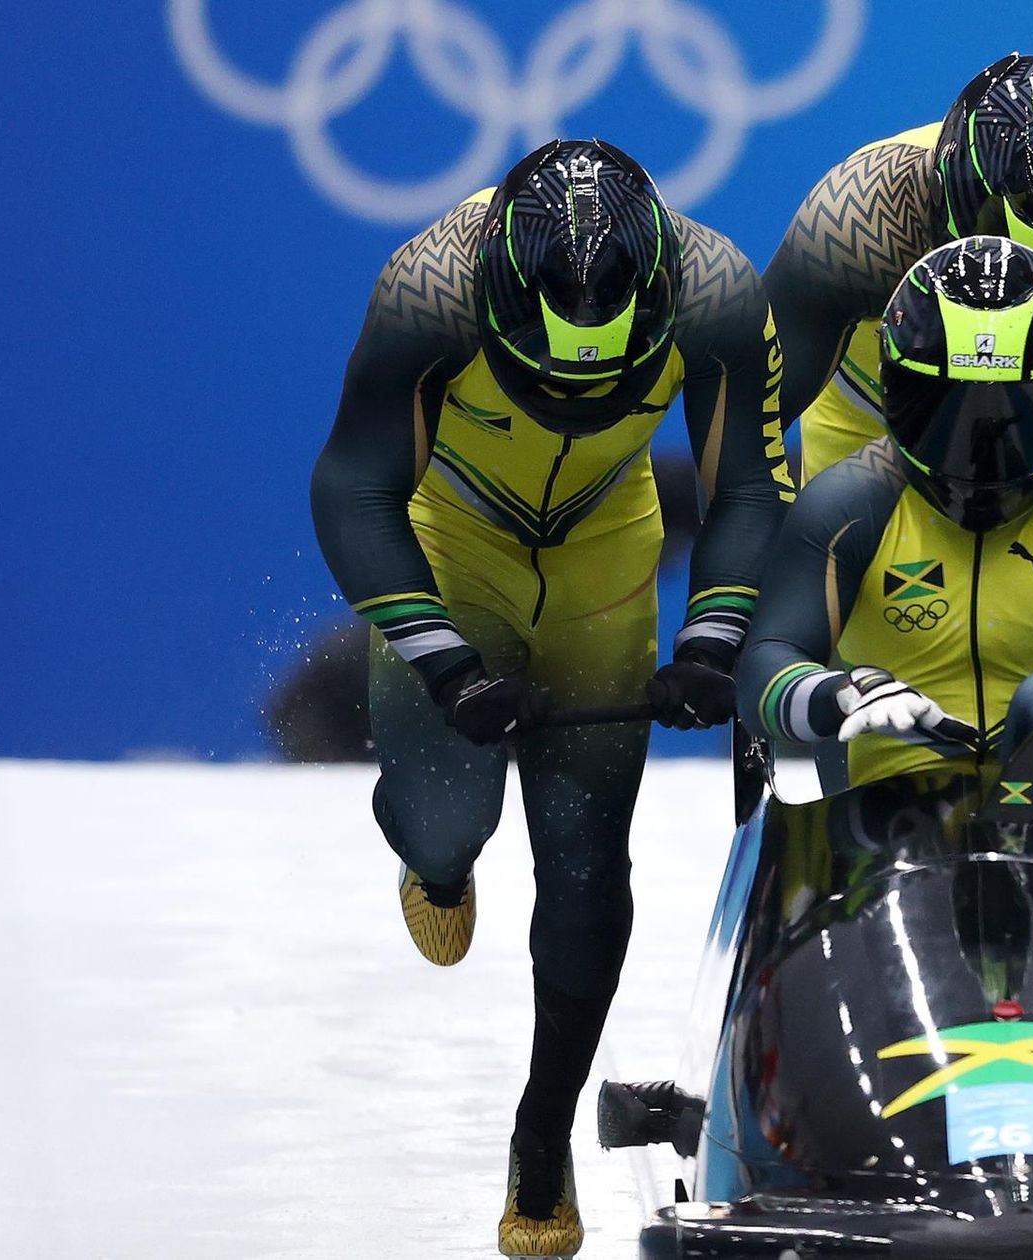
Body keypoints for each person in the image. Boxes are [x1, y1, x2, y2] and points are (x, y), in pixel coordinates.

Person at [309, 139, 788, 1255]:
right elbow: (355, 483)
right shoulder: (429, 285)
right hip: (457, 541)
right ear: (499, 301)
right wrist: (441, 659)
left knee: (584, 854)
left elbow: (753, 485)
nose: (574, 395)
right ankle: (435, 856)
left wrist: (712, 638)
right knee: (447, 811)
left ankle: (543, 1128)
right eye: (544, 367)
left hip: (603, 559)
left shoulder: (716, 289)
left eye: (601, 380)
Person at [737, 236, 1033, 799]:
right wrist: (844, 694)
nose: (982, 447)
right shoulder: (848, 503)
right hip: (896, 817)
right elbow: (765, 664)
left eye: (1016, 412)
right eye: (950, 409)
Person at [762, 52, 1033, 481]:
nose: (1015, 308)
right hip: (871, 416)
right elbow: (744, 453)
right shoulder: (858, 222)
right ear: (941, 209)